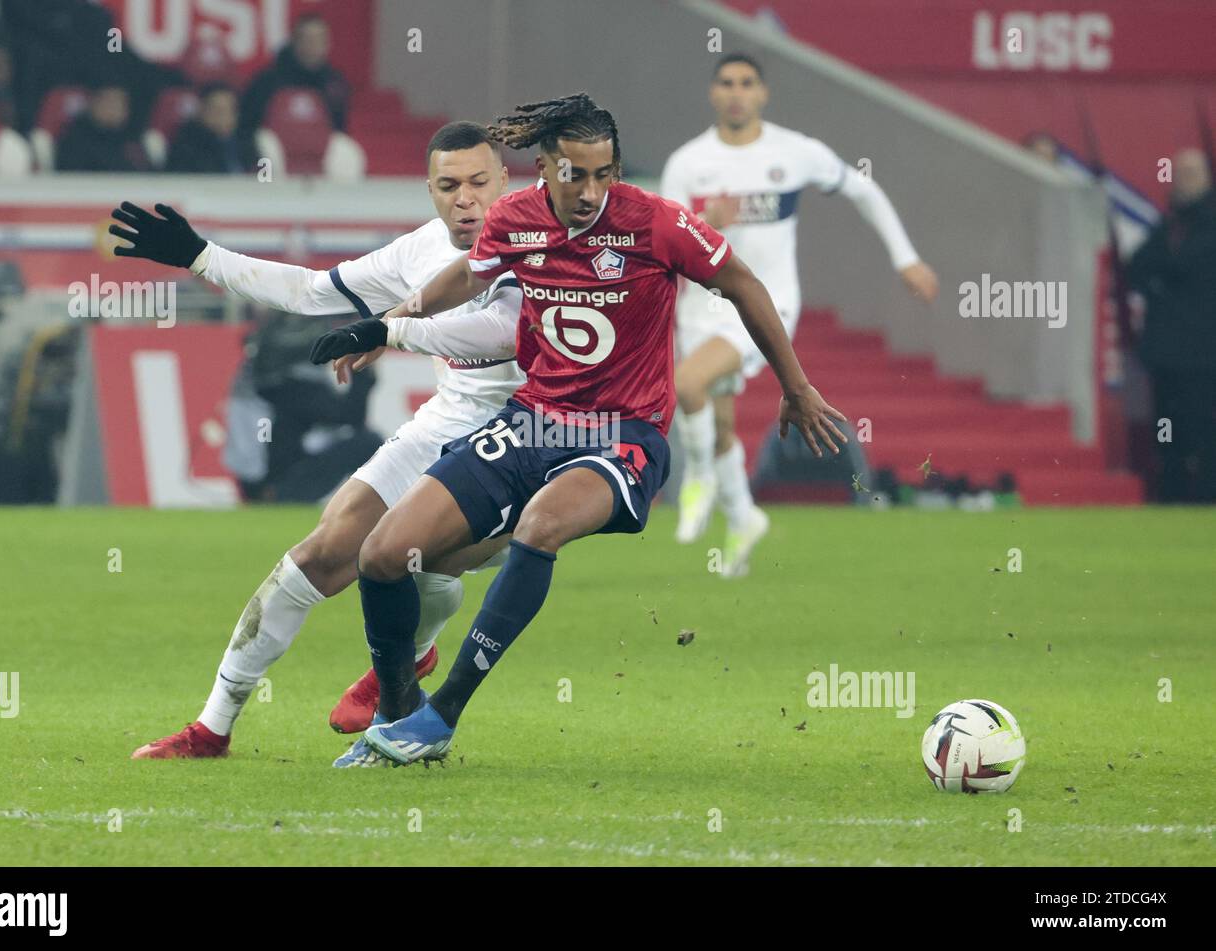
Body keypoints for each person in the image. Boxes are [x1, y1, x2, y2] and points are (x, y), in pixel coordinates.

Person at [313, 93, 847, 768]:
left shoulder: (656, 224)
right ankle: (397, 714)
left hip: (624, 434)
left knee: (541, 525)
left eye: (604, 173)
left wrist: (796, 388)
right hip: (534, 422)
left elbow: (742, 282)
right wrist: (388, 321)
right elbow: (467, 271)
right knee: (383, 555)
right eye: (575, 175)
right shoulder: (515, 218)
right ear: (544, 168)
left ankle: (441, 714)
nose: (591, 191)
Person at [105, 122, 525, 762]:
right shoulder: (418, 251)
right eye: (448, 186)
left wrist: (394, 331)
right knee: (321, 550)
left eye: (477, 182)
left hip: (533, 439)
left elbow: (505, 331)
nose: (465, 199)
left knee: (421, 555)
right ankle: (211, 729)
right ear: (430, 191)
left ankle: (407, 664)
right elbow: (309, 291)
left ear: (505, 180)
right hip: (446, 423)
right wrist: (201, 256)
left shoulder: (547, 246)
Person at [660, 54, 937, 575]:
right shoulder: (687, 162)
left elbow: (862, 188)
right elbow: (671, 240)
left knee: (689, 386)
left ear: (763, 93)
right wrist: (704, 221)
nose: (737, 92)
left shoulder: (794, 152)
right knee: (719, 425)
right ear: (713, 94)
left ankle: (696, 479)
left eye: (747, 83)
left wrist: (906, 258)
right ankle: (744, 521)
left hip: (767, 304)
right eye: (726, 83)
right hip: (701, 307)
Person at [1127, 147, 1216, 502]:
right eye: (1179, 173)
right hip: (1166, 353)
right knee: (1166, 427)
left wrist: (1165, 281)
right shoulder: (1169, 225)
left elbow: (1183, 267)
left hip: (1203, 352)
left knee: (1201, 425)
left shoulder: (1204, 226)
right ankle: (1172, 490)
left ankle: (1206, 493)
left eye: (1192, 174)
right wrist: (1160, 286)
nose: (1184, 182)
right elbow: (1138, 268)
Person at [239, 14, 349, 135]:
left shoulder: (335, 84)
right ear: (295, 42)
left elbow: (339, 129)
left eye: (319, 38)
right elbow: (248, 126)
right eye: (308, 39)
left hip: (319, 147)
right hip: (274, 147)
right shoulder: (267, 81)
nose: (314, 45)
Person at [165, 84, 258, 174]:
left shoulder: (245, 141)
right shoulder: (187, 146)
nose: (223, 117)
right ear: (202, 111)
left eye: (229, 110)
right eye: (217, 110)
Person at [55, 85, 150, 173]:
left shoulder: (131, 139)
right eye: (109, 102)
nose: (114, 109)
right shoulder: (75, 139)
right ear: (94, 104)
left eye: (120, 103)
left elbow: (150, 174)